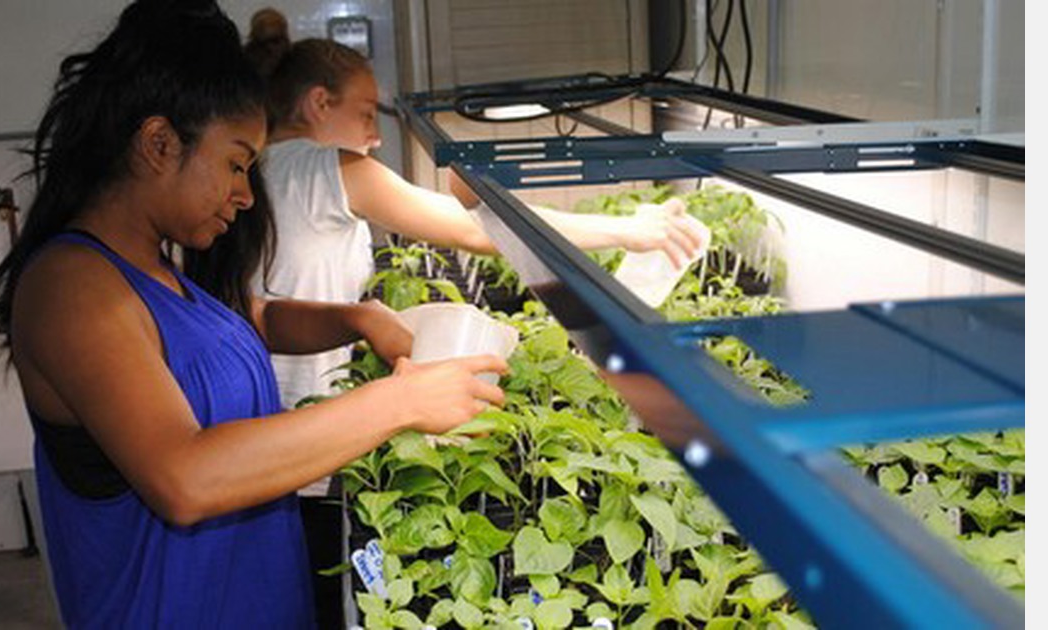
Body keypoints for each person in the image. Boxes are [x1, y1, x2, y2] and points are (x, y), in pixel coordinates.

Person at [0, 0, 506, 626]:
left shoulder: (154, 269)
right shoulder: (71, 287)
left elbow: (241, 324)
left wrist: (356, 319)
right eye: (235, 163)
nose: (246, 193)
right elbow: (185, 477)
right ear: (158, 143)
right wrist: (400, 404)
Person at [244, 7, 707, 414]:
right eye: (367, 113)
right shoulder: (326, 168)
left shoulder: (260, 164)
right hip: (295, 400)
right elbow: (478, 230)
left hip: (261, 395)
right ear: (319, 103)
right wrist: (629, 230)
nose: (376, 136)